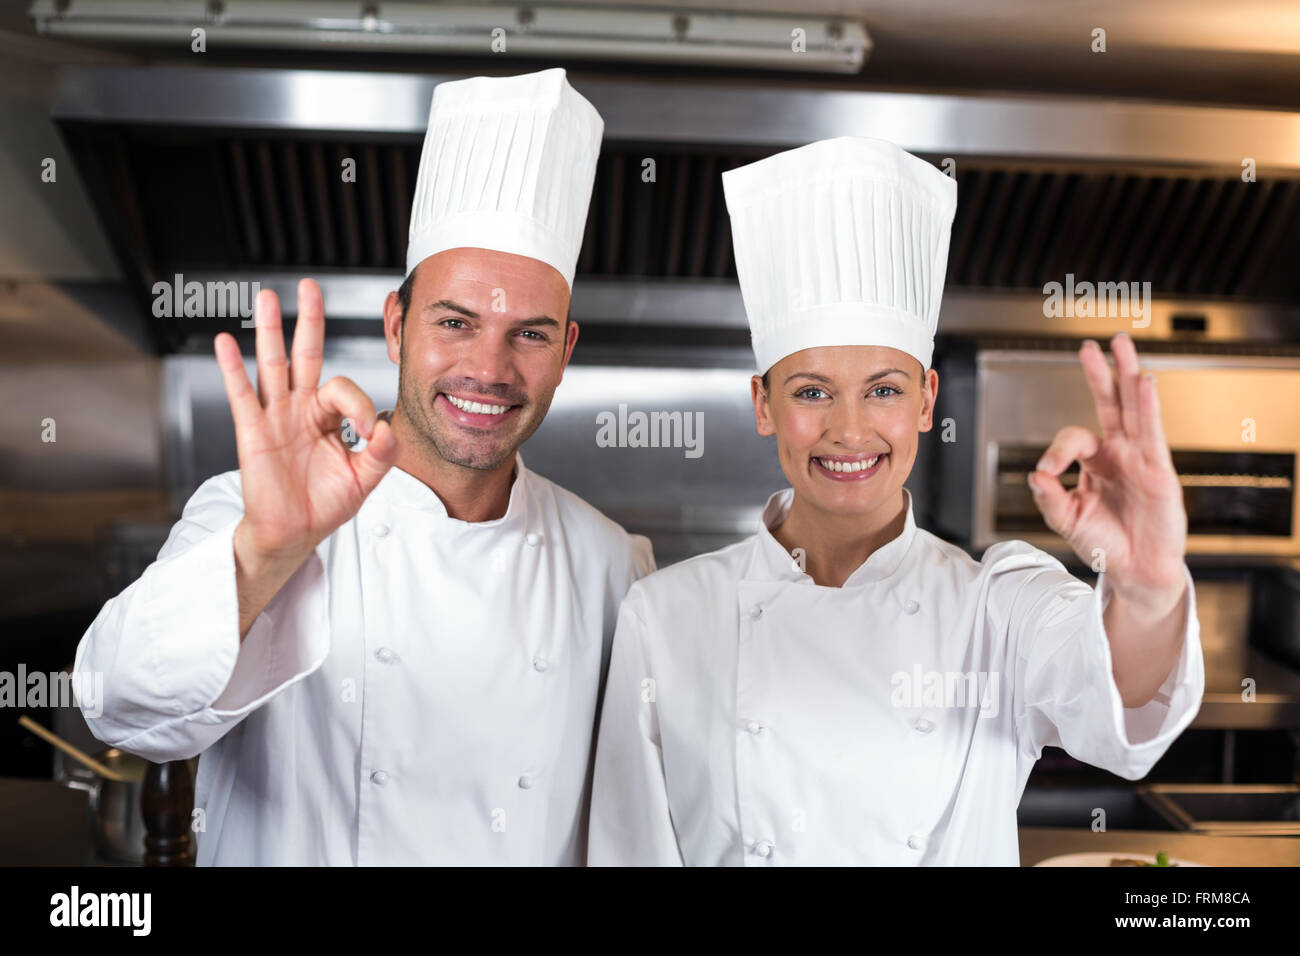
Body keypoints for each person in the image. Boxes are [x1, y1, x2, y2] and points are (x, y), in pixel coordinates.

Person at [73, 68, 654, 865]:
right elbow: (118, 707)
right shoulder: (254, 517)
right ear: (397, 324)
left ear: (565, 353)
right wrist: (265, 554)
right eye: (455, 321)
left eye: (530, 332)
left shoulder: (612, 565)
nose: (488, 368)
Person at [588, 136, 1203, 866]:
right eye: (812, 392)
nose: (849, 429)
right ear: (763, 404)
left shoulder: (996, 607)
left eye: (884, 390)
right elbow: (628, 850)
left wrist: (1149, 589)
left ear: (925, 401)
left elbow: (1123, 714)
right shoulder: (665, 615)